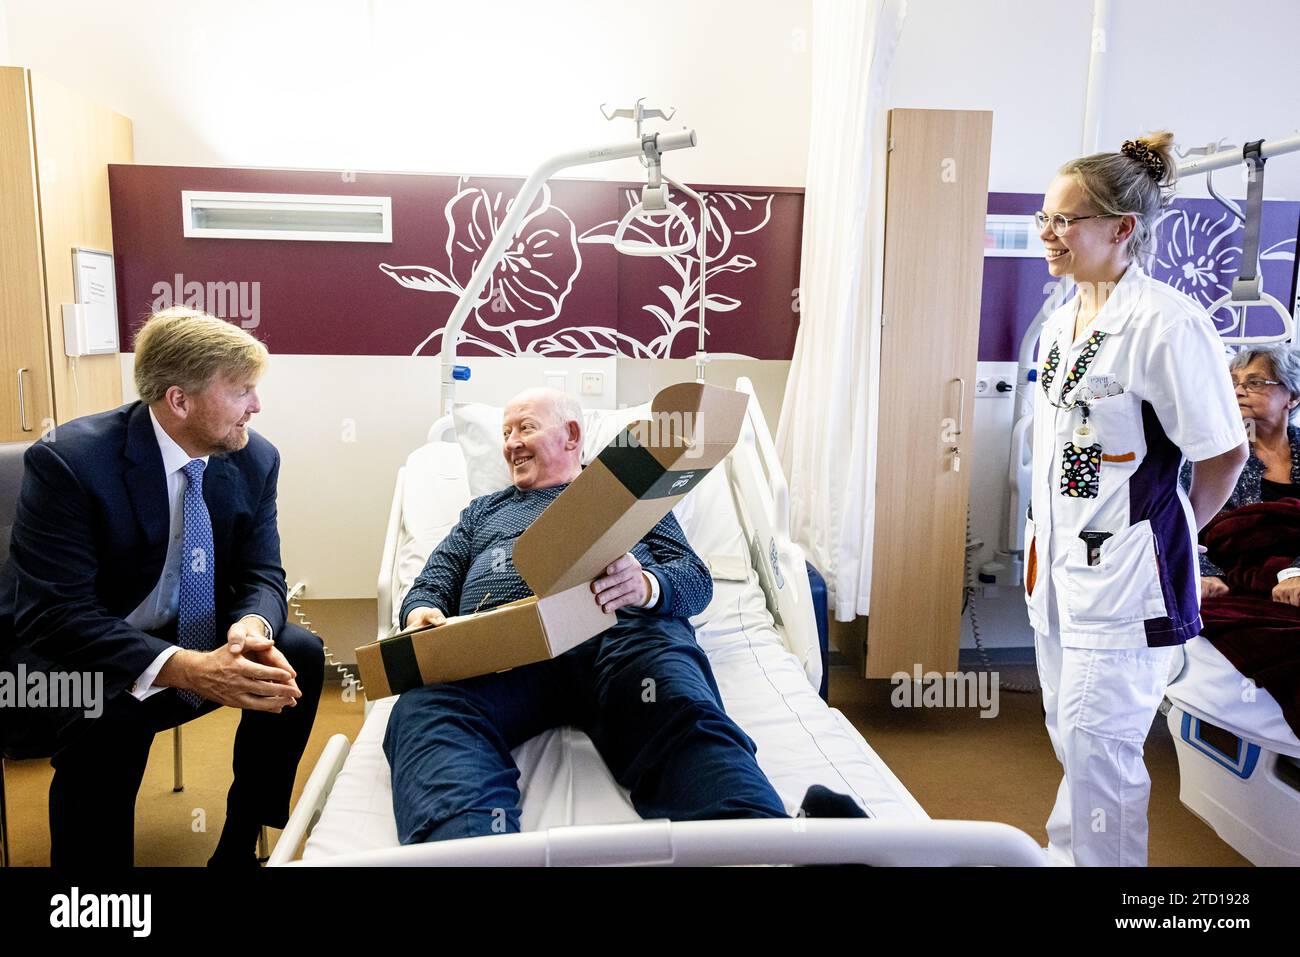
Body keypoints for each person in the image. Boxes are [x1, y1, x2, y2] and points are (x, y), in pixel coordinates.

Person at [384, 387, 864, 842]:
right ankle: (469, 851)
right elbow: (433, 580)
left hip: (624, 638)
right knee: (429, 707)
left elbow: (694, 579)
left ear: (571, 436)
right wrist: (423, 612)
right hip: (504, 649)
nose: (510, 444)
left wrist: (647, 586)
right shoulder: (481, 513)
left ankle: (759, 847)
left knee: (677, 707)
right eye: (505, 434)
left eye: (524, 429)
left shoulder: (632, 495)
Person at [0, 307, 323, 867]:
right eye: (243, 389)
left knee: (296, 654)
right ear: (179, 400)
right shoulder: (72, 463)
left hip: (178, 637)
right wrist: (187, 667)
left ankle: (240, 841)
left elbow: (262, 572)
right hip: (58, 662)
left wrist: (252, 626)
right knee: (108, 716)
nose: (257, 405)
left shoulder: (253, 458)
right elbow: (54, 616)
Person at [1023, 132, 1250, 866]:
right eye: (1045, 220)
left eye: (1067, 221)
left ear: (1122, 229)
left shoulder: (1167, 324)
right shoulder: (1062, 323)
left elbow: (1224, 454)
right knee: (1074, 742)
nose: (1050, 235)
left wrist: (1168, 536)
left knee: (1103, 755)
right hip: (1059, 577)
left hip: (1126, 587)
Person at [1184, 344, 1300, 605]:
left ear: (1292, 397)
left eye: (1255, 382)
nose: (1237, 391)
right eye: (1233, 382)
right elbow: (1178, 523)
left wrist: (1296, 571)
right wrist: (1202, 572)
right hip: (1228, 586)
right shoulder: (1207, 455)